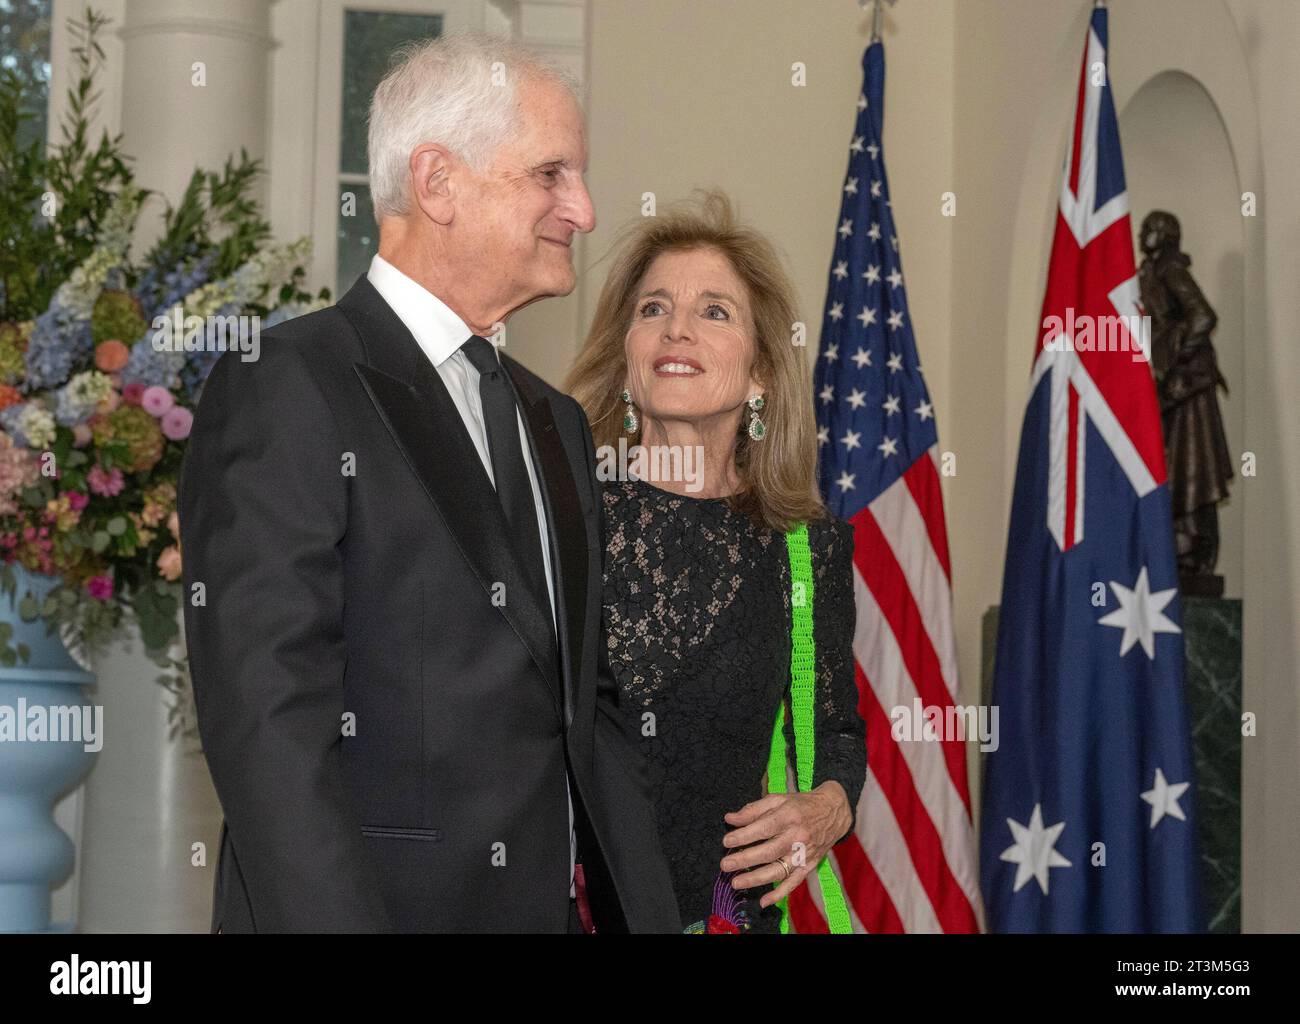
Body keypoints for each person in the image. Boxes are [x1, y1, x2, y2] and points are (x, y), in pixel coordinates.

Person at [178, 31, 679, 933]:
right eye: (552, 174)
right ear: (438, 182)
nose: (585, 209)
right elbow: (269, 726)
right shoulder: (288, 381)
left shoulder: (557, 423)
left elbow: (584, 710)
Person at [566, 192, 867, 933]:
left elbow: (836, 732)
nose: (677, 328)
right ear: (626, 362)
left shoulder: (807, 551)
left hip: (724, 915)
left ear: (760, 374)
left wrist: (829, 806)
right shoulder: (558, 515)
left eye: (714, 311)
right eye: (653, 308)